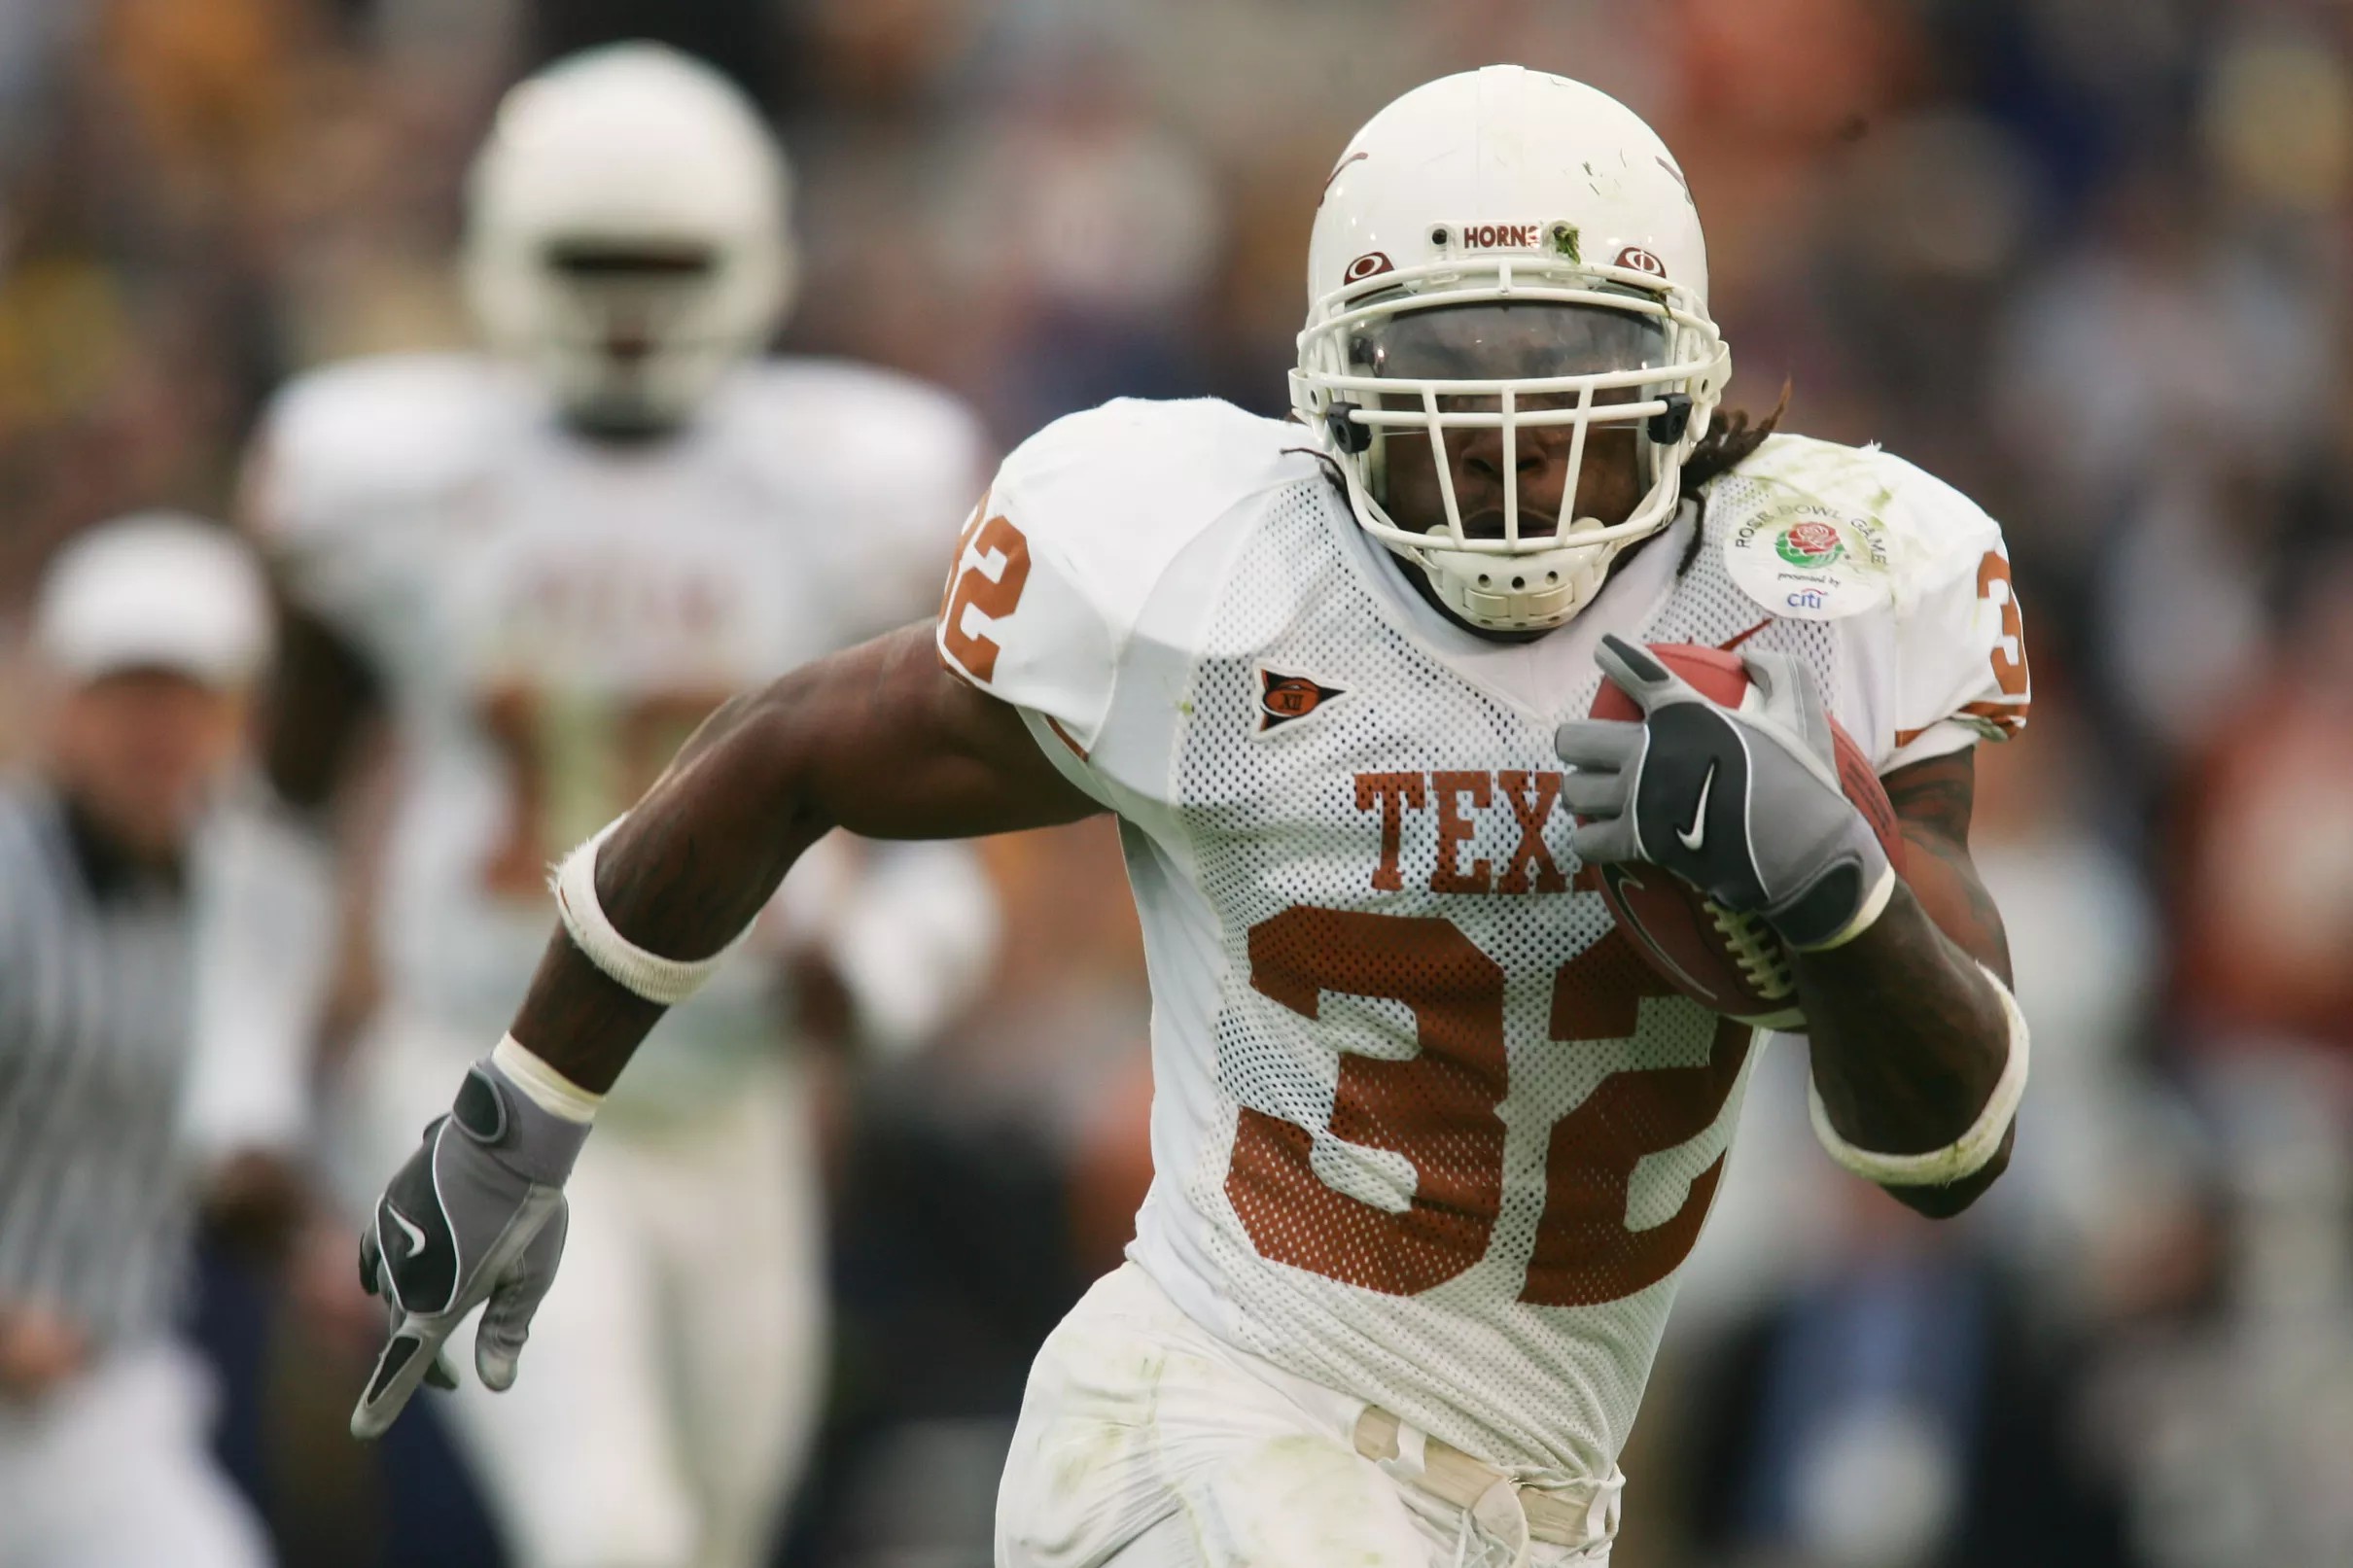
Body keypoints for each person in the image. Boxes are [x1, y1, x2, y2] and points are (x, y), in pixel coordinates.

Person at [346, 66, 2036, 1568]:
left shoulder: (1814, 602)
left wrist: (1828, 881)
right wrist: (525, 1105)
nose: (1510, 452)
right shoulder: (1218, 587)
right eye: (1448, 375)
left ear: (1681, 388)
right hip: (1216, 1426)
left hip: (1526, 1490)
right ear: (1330, 390)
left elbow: (1951, 1142)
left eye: (1568, 386)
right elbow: (790, 746)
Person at [214, 41, 999, 1568]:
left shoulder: (860, 479)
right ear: (507, 257)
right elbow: (280, 810)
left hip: (734, 1099)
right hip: (482, 1066)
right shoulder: (383, 473)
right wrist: (240, 1087)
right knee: (611, 1532)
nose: (634, 311)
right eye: (597, 264)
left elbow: (959, 845)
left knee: (714, 1533)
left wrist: (884, 976)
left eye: (667, 266)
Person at [0, 516, 276, 1568]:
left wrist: (315, 1250)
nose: (155, 729)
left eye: (185, 696)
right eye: (126, 694)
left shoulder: (234, 882)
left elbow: (227, 1126)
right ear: (62, 705)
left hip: (99, 1401)